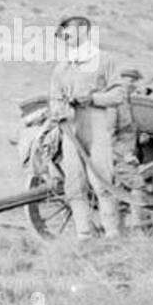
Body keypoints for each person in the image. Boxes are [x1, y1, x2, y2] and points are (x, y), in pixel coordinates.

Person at [48, 15, 125, 240]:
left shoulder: (105, 60)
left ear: (83, 30)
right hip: (71, 130)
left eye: (68, 29)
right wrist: (59, 111)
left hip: (98, 125)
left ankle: (111, 233)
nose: (65, 34)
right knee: (74, 184)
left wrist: (92, 99)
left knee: (102, 182)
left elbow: (119, 94)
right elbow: (54, 98)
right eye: (62, 31)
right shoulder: (62, 68)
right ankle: (84, 235)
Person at [112, 68, 152, 234]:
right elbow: (108, 135)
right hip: (117, 156)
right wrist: (125, 155)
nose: (134, 85)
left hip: (126, 155)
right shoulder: (115, 102)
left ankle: (119, 231)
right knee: (138, 185)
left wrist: (140, 137)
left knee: (120, 193)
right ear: (122, 80)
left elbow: (128, 129)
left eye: (135, 81)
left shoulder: (128, 101)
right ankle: (139, 229)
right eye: (131, 81)